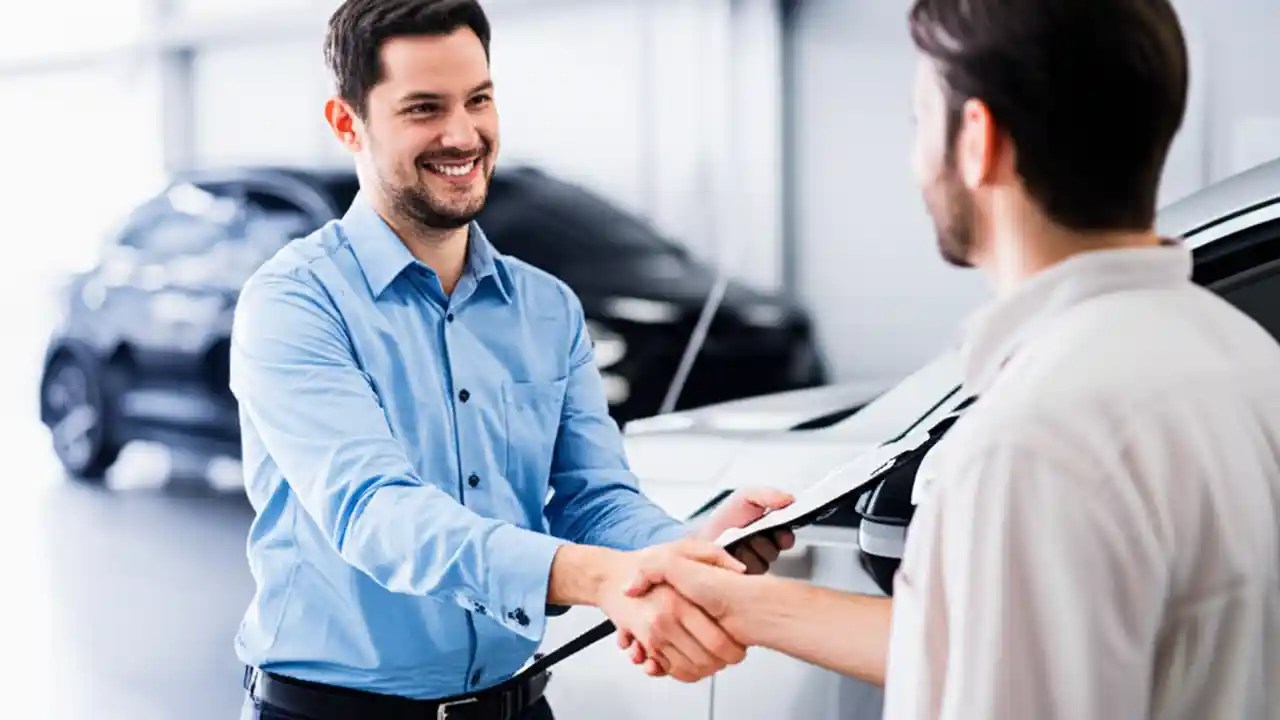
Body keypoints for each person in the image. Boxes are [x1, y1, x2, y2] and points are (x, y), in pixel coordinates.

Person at [624, 0, 1280, 717]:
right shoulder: (1247, 359)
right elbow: (1031, 646)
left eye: (919, 123)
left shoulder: (1033, 440)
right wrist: (750, 606)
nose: (915, 161)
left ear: (976, 140)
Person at [230, 1, 794, 718]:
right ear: (348, 124)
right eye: (424, 108)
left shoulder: (547, 308)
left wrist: (686, 552)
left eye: (479, 100)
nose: (462, 135)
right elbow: (376, 513)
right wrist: (604, 579)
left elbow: (594, 497)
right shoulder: (294, 303)